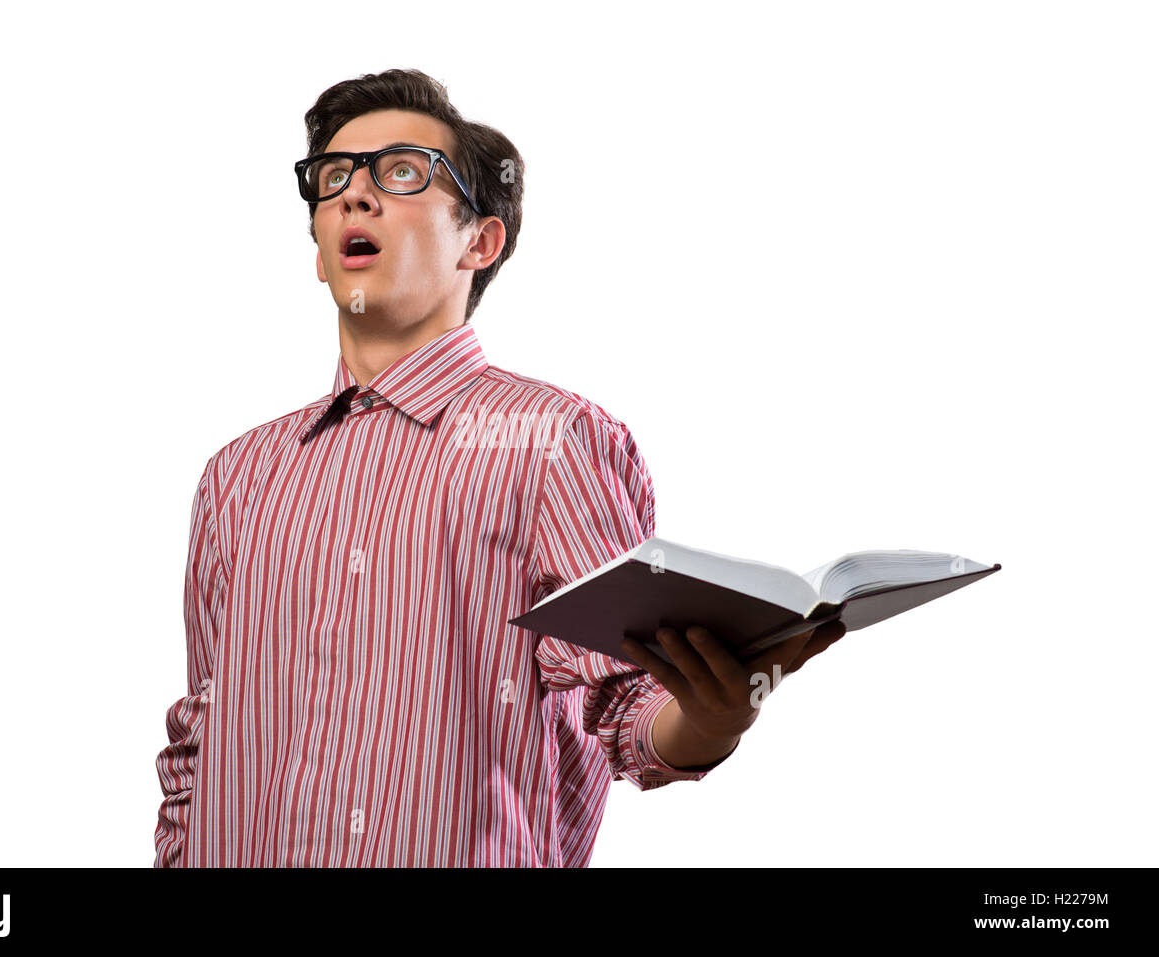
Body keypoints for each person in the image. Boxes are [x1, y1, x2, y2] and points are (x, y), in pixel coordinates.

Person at [152, 68, 844, 867]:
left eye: (402, 172)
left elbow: (622, 703)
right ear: (318, 251)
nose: (355, 195)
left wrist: (714, 719)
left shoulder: (556, 442)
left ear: (479, 241)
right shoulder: (237, 476)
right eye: (334, 177)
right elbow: (198, 741)